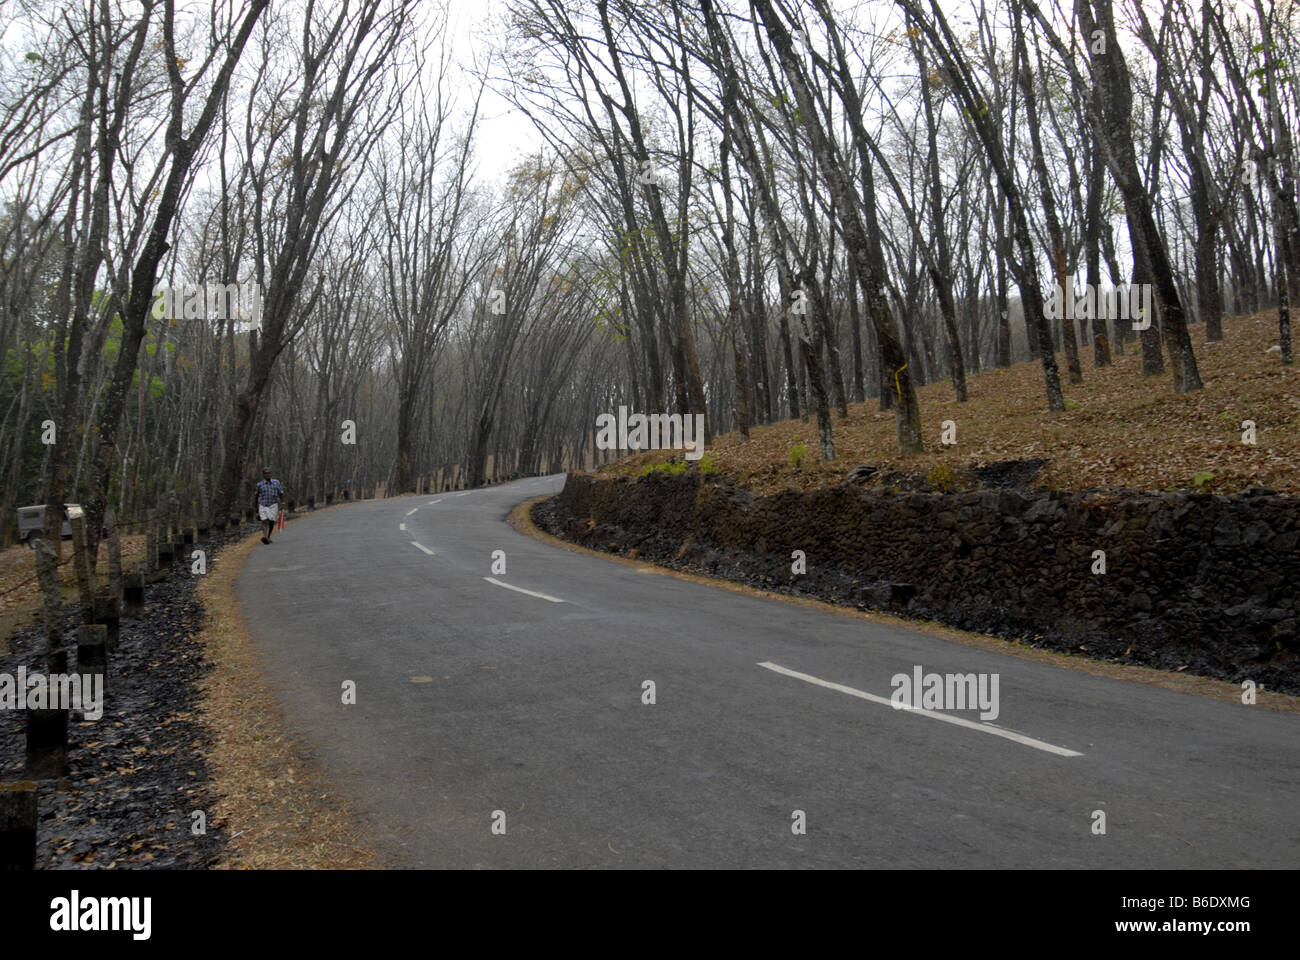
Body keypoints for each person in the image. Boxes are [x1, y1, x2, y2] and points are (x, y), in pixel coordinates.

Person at [255, 467, 285, 544]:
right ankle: (265, 537)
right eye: (266, 473)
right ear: (263, 475)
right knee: (264, 520)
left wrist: (283, 503)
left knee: (271, 521)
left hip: (273, 504)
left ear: (271, 474)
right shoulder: (259, 484)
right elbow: (256, 496)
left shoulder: (276, 482)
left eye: (269, 473)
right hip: (263, 504)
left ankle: (268, 536)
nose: (267, 475)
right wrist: (256, 509)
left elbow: (281, 493)